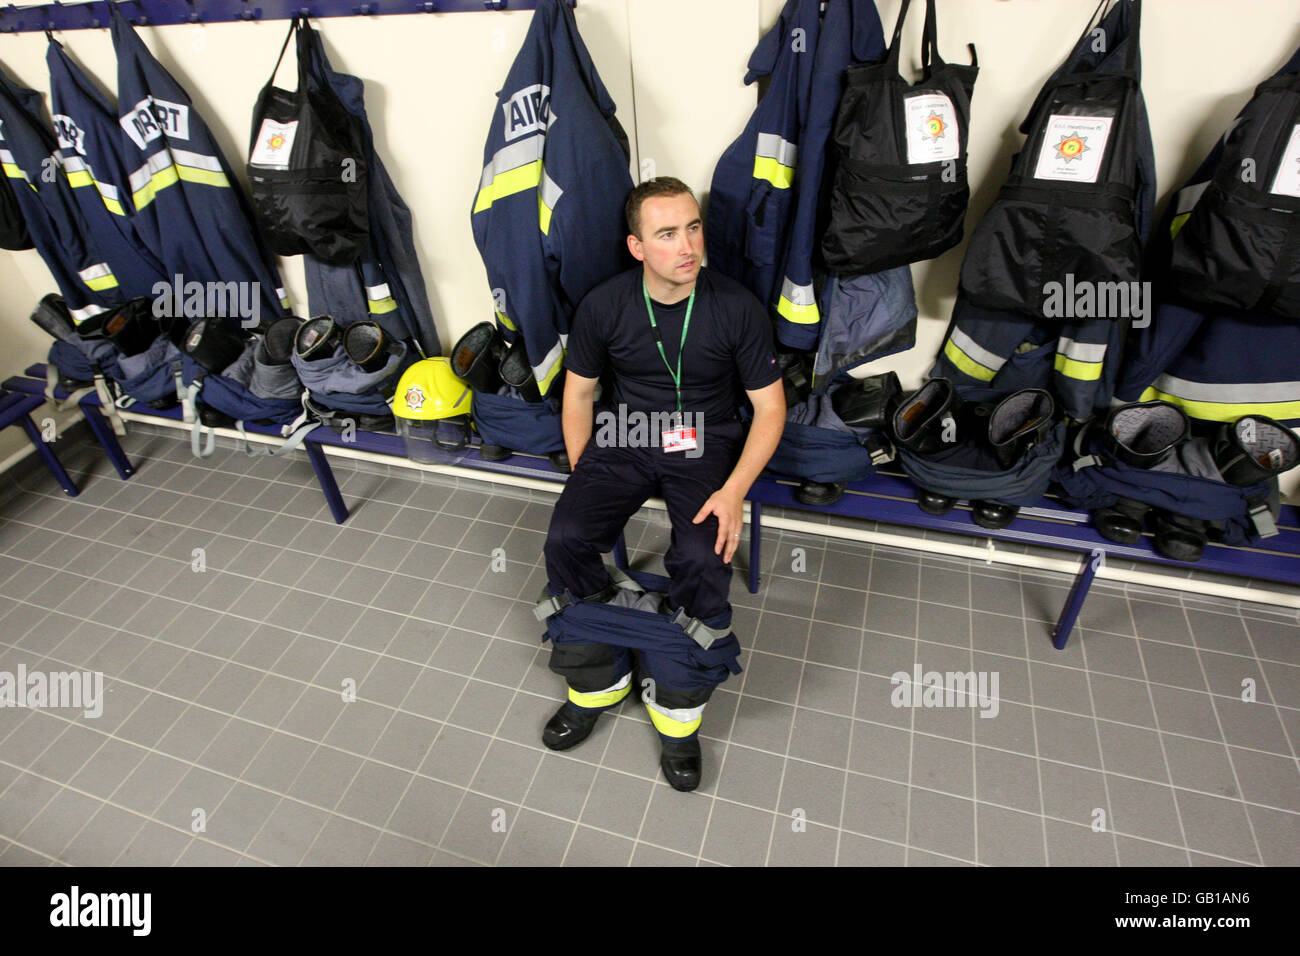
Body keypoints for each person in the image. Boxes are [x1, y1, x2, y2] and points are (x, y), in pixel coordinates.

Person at [539, 177, 786, 791]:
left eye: (694, 228)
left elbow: (771, 410)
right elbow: (579, 394)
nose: (688, 246)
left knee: (702, 557)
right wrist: (584, 471)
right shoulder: (605, 304)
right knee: (567, 535)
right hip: (626, 431)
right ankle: (598, 680)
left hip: (706, 437)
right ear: (636, 246)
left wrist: (732, 493)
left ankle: (677, 717)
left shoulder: (736, 306)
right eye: (668, 233)